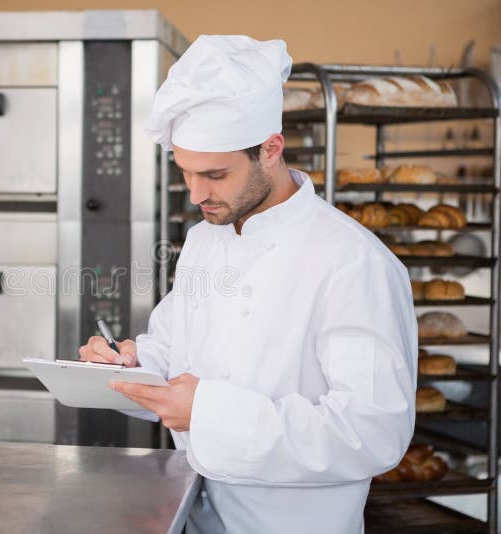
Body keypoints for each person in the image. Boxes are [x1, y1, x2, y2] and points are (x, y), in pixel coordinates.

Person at [78, 35, 417, 534]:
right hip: (191, 511)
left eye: (215, 174)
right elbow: (174, 352)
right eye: (185, 173)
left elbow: (373, 431)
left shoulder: (353, 261)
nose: (196, 195)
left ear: (270, 150)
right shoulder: (204, 241)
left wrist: (209, 412)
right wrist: (133, 364)